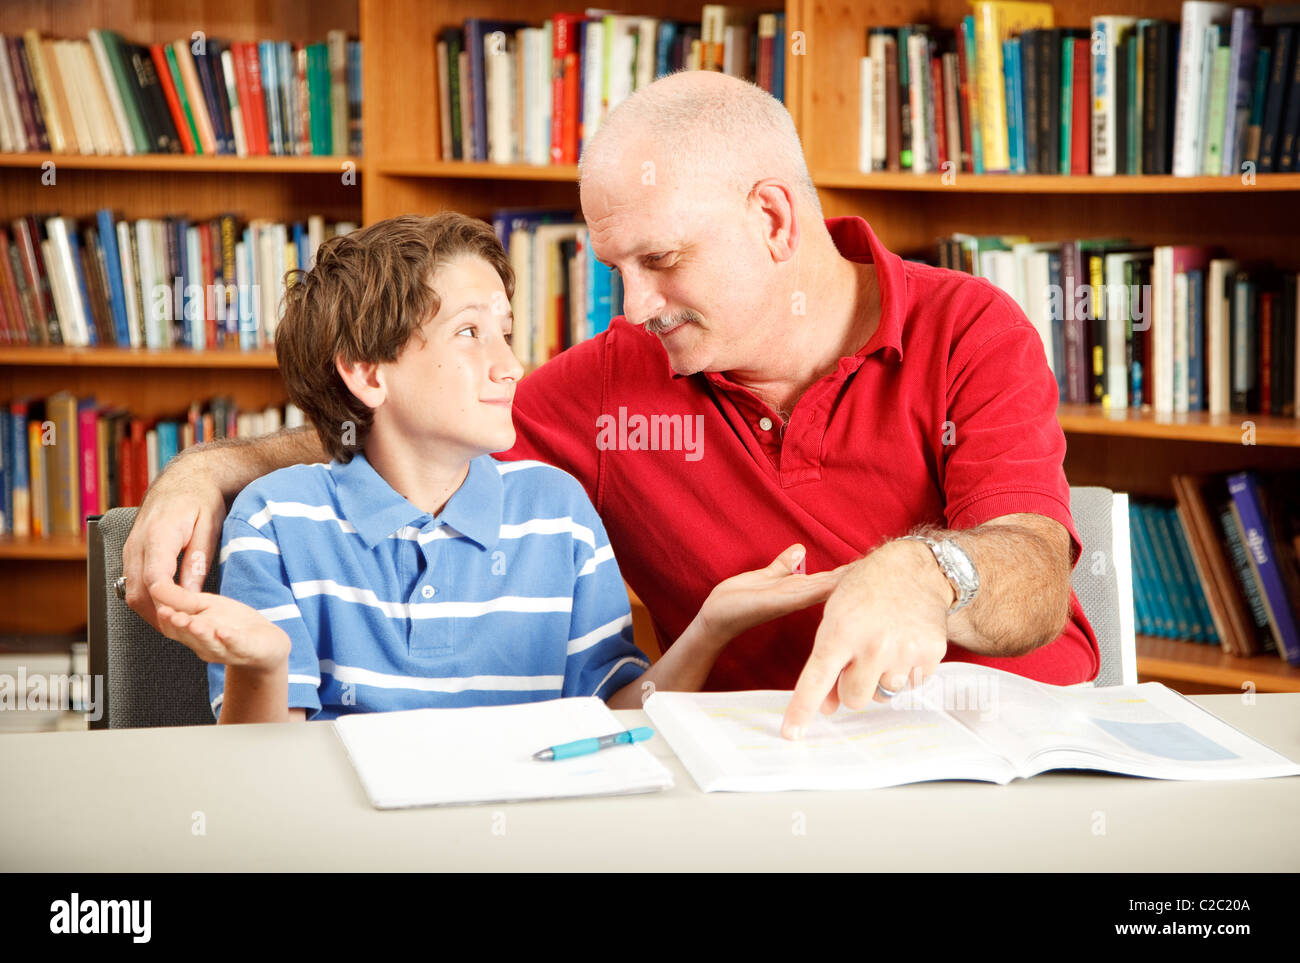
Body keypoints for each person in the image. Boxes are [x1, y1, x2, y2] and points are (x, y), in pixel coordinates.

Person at [126, 70, 1098, 740]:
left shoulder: (968, 326)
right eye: (615, 268)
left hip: (1001, 743)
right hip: (767, 767)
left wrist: (929, 574)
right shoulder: (614, 379)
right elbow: (414, 426)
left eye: (662, 260)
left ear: (771, 218)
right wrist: (212, 465)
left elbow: (1031, 569)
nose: (632, 308)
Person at [146, 212, 840, 722]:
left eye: (506, 332)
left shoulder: (557, 512)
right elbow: (265, 779)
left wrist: (709, 627)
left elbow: (617, 716)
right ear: (366, 373)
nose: (511, 366)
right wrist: (262, 664)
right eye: (470, 332)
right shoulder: (275, 520)